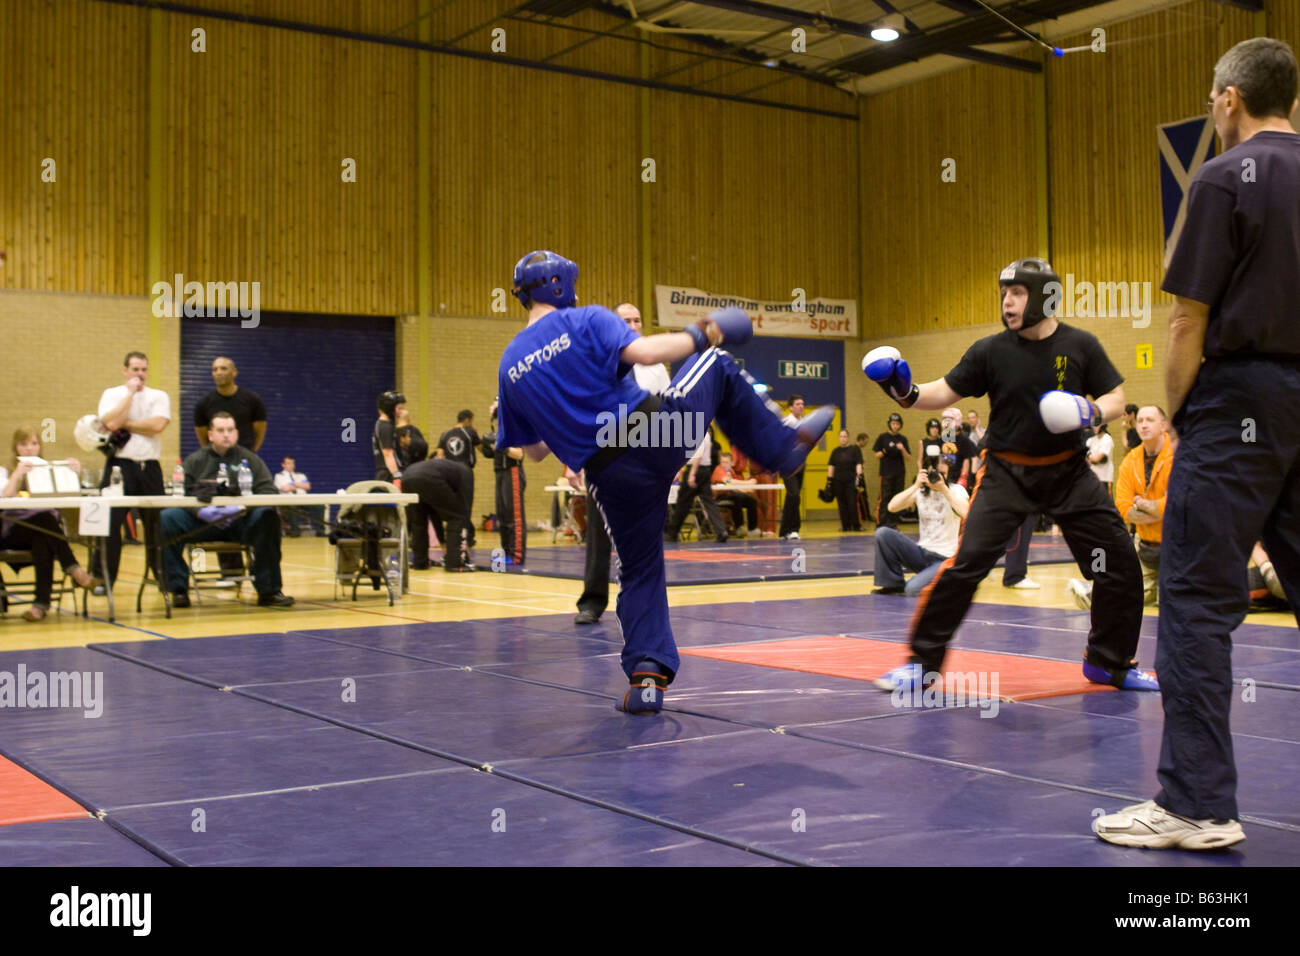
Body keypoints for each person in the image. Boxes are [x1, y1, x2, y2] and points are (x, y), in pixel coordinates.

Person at [1094, 38, 1300, 851]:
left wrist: (1178, 413)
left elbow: (1187, 319)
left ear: (1227, 99)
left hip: (1239, 401)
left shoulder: (1222, 177)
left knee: (1193, 600)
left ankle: (1197, 803)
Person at [496, 250, 831, 714]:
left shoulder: (509, 366)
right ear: (562, 286)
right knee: (714, 364)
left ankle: (646, 675)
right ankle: (782, 449)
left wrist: (556, 411)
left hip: (608, 475)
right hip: (654, 435)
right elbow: (647, 351)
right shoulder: (586, 320)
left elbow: (533, 451)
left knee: (639, 568)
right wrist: (706, 331)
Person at [864, 257, 1156, 694]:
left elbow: (1116, 396)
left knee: (1119, 566)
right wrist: (904, 391)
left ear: (1046, 297)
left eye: (1017, 293)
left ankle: (1108, 663)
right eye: (1004, 293)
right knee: (964, 566)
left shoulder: (1081, 345)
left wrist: (1091, 411)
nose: (1007, 302)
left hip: (1068, 473)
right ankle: (921, 665)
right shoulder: (991, 350)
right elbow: (943, 391)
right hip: (1006, 473)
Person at [576, 303, 671, 624]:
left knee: (647, 531)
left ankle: (644, 602)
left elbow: (666, 410)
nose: (632, 324)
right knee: (599, 533)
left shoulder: (655, 365)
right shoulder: (597, 361)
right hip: (603, 452)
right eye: (625, 320)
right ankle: (592, 601)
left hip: (644, 453)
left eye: (637, 319)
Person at [160, 412, 294, 608]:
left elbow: (268, 491)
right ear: (210, 434)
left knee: (267, 515)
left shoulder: (251, 460)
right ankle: (178, 589)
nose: (226, 435)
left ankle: (269, 590)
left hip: (240, 521)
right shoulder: (195, 461)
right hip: (203, 522)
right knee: (168, 517)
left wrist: (240, 507)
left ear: (237, 434)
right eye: (221, 430)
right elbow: (180, 494)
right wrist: (199, 511)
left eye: (230, 430)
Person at [1069, 405, 1171, 609]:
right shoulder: (1130, 461)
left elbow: (1176, 505)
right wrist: (1157, 511)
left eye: (1149, 420)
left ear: (1163, 426)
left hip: (1177, 545)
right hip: (1146, 546)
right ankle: (1097, 593)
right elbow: (1123, 507)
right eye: (1140, 420)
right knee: (1126, 593)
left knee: (1171, 600)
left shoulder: (1179, 457)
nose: (1143, 425)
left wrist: (1145, 505)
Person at [0, 428, 99, 620]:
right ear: (16, 447)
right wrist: (18, 475)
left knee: (43, 539)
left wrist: (72, 474)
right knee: (45, 520)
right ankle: (74, 569)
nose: (29, 449)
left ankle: (39, 606)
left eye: (34, 444)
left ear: (40, 447)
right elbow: (7, 495)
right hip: (14, 531)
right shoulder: (6, 471)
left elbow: (67, 496)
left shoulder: (50, 469)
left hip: (41, 533)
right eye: (24, 444)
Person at [94, 351, 171, 591]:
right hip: (120, 466)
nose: (140, 375)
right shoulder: (112, 394)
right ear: (125, 370)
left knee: (157, 525)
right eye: (135, 369)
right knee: (108, 522)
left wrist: (124, 424)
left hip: (149, 466)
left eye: (144, 370)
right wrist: (129, 395)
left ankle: (162, 577)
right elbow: (110, 424)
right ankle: (102, 579)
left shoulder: (159, 396)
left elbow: (157, 426)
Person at [872, 450, 969, 596]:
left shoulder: (956, 490)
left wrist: (944, 490)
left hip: (945, 559)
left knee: (912, 590)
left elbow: (966, 513)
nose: (939, 477)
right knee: (883, 533)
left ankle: (945, 581)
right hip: (921, 554)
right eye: (935, 473)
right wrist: (916, 485)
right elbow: (892, 507)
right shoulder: (921, 492)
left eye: (943, 473)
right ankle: (892, 585)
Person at [401, 458, 476, 572]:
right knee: (457, 517)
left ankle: (420, 562)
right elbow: (465, 511)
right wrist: (465, 544)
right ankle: (454, 563)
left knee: (419, 521)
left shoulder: (448, 469)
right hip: (428, 478)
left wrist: (442, 542)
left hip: (407, 477)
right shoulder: (466, 474)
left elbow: (434, 513)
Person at [665, 425, 729, 543]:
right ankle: (721, 530)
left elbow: (697, 455)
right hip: (705, 471)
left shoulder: (695, 433)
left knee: (683, 502)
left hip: (695, 470)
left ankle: (672, 533)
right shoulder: (707, 435)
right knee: (709, 502)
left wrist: (692, 474)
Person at [193, 356, 267, 452]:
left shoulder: (253, 400)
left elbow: (260, 433)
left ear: (234, 372)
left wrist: (251, 454)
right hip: (216, 460)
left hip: (244, 460)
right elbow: (202, 438)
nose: (218, 373)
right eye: (215, 370)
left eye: (223, 368)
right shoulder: (203, 404)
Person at [484, 399, 526, 566]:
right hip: (500, 472)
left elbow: (519, 454)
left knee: (513, 515)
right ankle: (505, 551)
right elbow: (493, 452)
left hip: (512, 471)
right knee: (502, 514)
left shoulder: (513, 427)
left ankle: (517, 554)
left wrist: (501, 446)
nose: (490, 408)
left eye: (493, 405)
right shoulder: (498, 430)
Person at [437, 410, 481, 518]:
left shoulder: (445, 434)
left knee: (452, 499)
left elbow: (440, 455)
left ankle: (453, 525)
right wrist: (477, 434)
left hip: (449, 472)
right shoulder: (469, 433)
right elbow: (483, 449)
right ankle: (464, 526)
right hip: (464, 471)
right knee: (466, 500)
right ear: (467, 420)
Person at [872, 413, 911, 530]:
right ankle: (881, 522)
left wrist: (902, 449)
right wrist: (885, 451)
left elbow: (908, 458)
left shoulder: (902, 439)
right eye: (893, 424)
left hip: (899, 473)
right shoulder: (882, 437)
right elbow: (876, 455)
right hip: (885, 473)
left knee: (897, 498)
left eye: (897, 424)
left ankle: (893, 523)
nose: (895, 426)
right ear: (889, 424)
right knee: (884, 497)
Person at [778, 396, 808, 540]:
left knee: (792, 497)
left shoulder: (805, 422)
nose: (801, 406)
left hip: (800, 463)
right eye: (797, 404)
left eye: (802, 404)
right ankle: (794, 528)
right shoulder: (786, 423)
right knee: (794, 495)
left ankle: (784, 530)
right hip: (787, 464)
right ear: (790, 407)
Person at [273, 455, 324, 537]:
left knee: (319, 506)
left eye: (293, 463)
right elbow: (284, 489)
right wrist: (299, 485)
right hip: (288, 501)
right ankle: (295, 532)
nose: (292, 465)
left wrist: (292, 485)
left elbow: (307, 486)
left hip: (303, 500)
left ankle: (320, 531)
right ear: (283, 465)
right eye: (289, 463)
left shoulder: (300, 475)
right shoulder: (278, 476)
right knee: (292, 507)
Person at [824, 429, 864, 532]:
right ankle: (845, 526)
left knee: (852, 503)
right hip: (838, 481)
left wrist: (859, 477)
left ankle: (856, 525)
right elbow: (831, 467)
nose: (843, 438)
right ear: (839, 438)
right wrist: (829, 482)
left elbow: (859, 464)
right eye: (841, 436)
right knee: (842, 504)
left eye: (845, 436)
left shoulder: (855, 449)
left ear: (848, 437)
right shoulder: (835, 451)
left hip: (851, 481)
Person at [713, 452, 759, 537]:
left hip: (731, 495)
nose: (724, 464)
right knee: (737, 498)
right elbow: (729, 481)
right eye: (722, 462)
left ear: (731, 463)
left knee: (751, 500)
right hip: (719, 497)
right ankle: (739, 527)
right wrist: (747, 483)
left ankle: (752, 529)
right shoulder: (718, 469)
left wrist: (747, 490)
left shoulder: (731, 472)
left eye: (726, 462)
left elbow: (734, 487)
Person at [372, 391, 405, 483]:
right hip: (389, 474)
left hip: (386, 472)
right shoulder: (385, 427)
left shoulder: (381, 425)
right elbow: (388, 454)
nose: (401, 412)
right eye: (399, 408)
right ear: (389, 408)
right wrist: (396, 476)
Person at [1085, 421, 1115, 496]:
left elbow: (1096, 459)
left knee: (1106, 503)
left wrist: (1088, 455)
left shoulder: (1107, 439)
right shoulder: (1092, 439)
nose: (1094, 428)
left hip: (1105, 477)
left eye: (1096, 425)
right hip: (1093, 477)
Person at [853, 433, 874, 526]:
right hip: (859, 477)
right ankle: (866, 515)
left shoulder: (856, 449)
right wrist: (859, 479)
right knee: (862, 496)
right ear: (861, 440)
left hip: (858, 476)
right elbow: (859, 464)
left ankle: (864, 515)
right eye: (865, 441)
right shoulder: (856, 450)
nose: (866, 444)